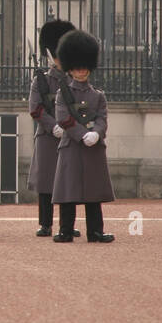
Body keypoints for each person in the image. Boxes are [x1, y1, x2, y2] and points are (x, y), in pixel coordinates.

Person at [52, 30, 115, 243]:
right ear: (71, 70)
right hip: (72, 145)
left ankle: (95, 231)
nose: (81, 72)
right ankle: (65, 230)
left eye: (84, 68)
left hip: (93, 147)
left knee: (93, 192)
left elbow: (102, 119)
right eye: (77, 68)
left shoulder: (97, 95)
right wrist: (82, 135)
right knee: (69, 191)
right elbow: (64, 118)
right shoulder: (63, 93)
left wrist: (96, 133)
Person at [27, 19, 76, 237]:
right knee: (46, 183)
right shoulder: (41, 80)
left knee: (69, 182)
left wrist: (68, 128)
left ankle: (68, 224)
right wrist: (52, 126)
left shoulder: (75, 81)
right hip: (47, 136)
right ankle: (45, 223)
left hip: (70, 137)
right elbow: (35, 109)